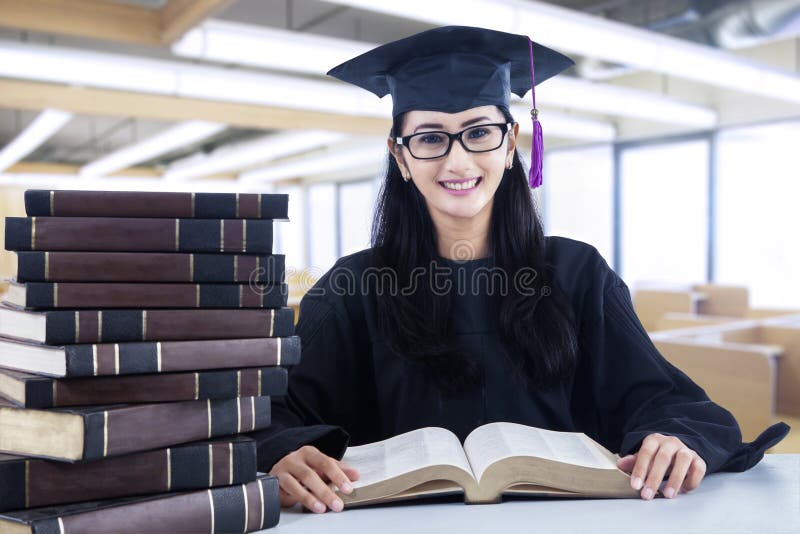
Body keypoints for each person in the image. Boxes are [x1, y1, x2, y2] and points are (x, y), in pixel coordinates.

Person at [250, 25, 789, 514]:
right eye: (431, 138)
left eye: (479, 132)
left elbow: (665, 399)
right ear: (400, 157)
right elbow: (269, 414)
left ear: (510, 144)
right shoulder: (353, 288)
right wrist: (282, 451)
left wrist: (673, 438)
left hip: (562, 523)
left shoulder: (577, 273)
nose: (458, 161)